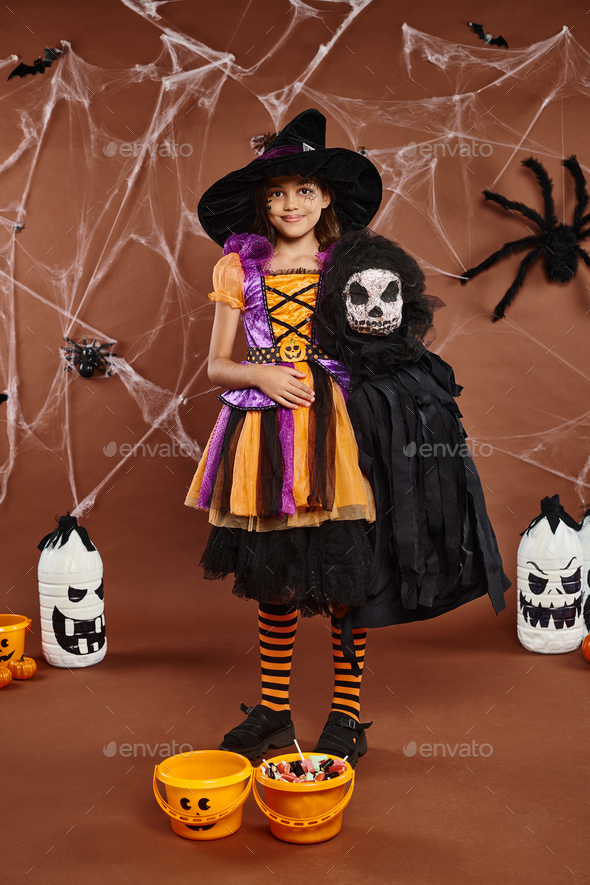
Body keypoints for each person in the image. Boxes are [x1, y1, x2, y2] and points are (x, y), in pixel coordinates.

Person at [185, 108, 383, 766]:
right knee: (273, 572)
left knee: (342, 572)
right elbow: (217, 366)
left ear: (326, 197)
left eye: (303, 190)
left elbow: (377, 345)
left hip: (335, 430)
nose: (290, 203)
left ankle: (347, 714)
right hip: (264, 432)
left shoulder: (350, 265)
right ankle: (274, 711)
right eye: (276, 193)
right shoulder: (237, 269)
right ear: (261, 203)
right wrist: (262, 374)